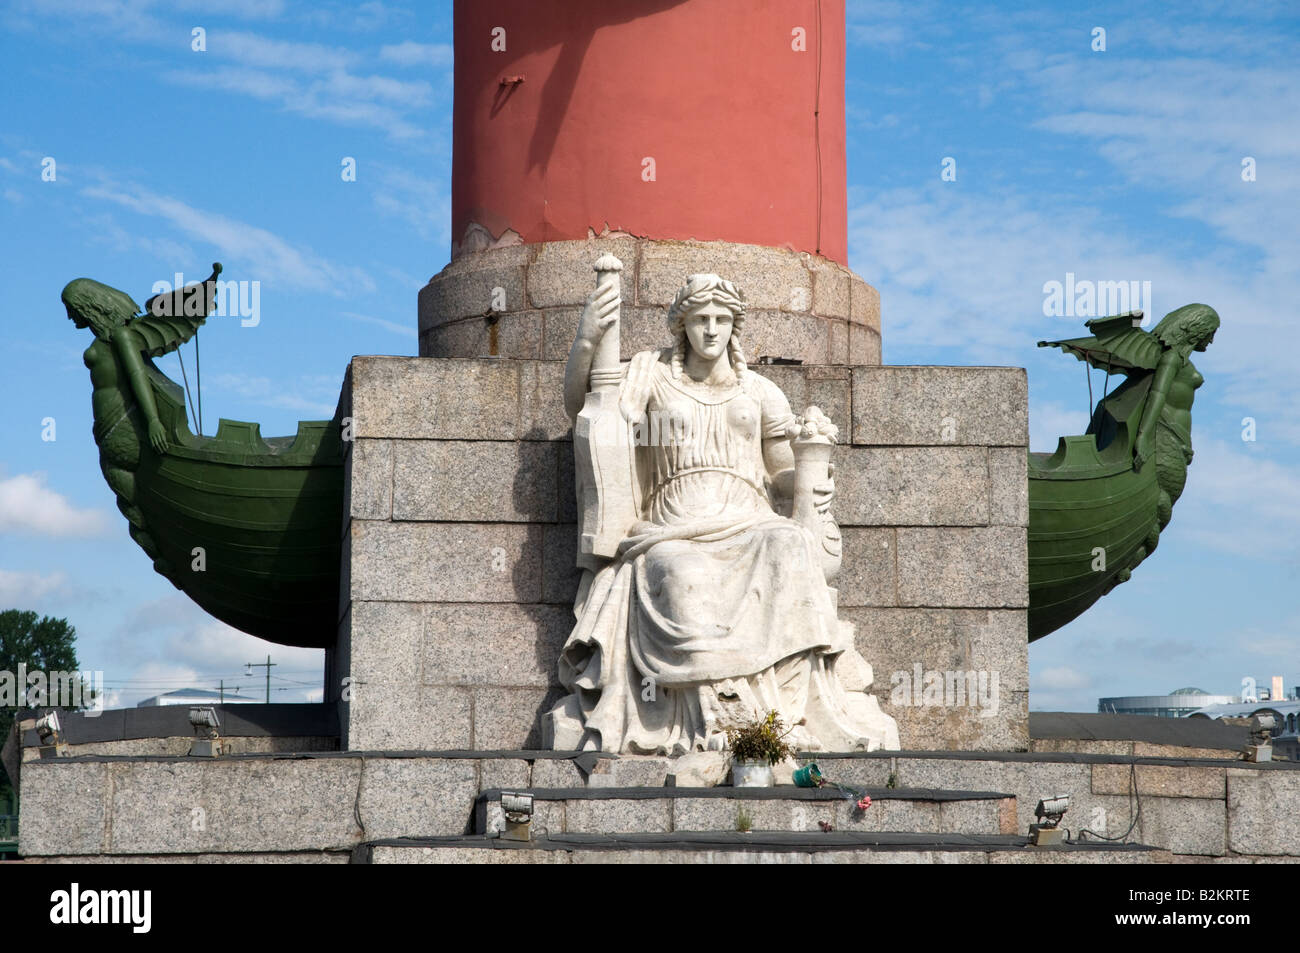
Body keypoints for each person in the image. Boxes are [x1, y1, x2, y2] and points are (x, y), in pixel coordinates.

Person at [547, 273, 898, 754]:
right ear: (681, 326)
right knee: (679, 573)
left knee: (789, 544)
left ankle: (783, 716)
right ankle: (711, 717)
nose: (711, 330)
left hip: (750, 521)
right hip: (674, 526)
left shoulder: (759, 391)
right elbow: (586, 408)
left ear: (735, 326)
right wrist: (589, 338)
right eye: (700, 319)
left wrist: (815, 472)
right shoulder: (650, 376)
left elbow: (781, 475)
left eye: (722, 319)